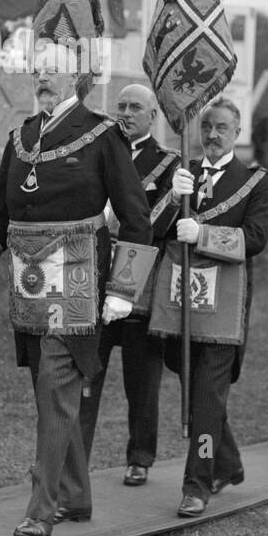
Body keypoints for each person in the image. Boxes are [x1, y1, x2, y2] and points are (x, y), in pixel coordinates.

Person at [0, 40, 152, 536]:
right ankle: (77, 497)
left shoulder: (102, 133)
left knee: (57, 392)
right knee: (48, 395)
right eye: (37, 70)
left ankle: (40, 511)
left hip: (79, 280)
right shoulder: (20, 137)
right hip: (26, 284)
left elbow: (136, 216)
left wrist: (123, 289)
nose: (41, 77)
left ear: (76, 79)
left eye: (52, 71)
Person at [155, 97, 268, 518]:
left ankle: (196, 485)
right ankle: (229, 464)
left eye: (222, 127)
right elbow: (151, 227)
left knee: (205, 397)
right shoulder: (182, 171)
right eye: (206, 127)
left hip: (224, 302)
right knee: (194, 386)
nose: (212, 135)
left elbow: (257, 237)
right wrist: (172, 199)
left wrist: (202, 234)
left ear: (237, 133)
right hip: (181, 299)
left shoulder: (255, 181)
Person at [78, 84, 178, 489]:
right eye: (120, 106)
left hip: (142, 279)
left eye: (136, 107)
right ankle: (74, 459)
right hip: (95, 277)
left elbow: (160, 226)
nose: (126, 112)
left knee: (141, 378)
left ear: (153, 115)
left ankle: (140, 457)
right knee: (86, 373)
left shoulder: (170, 164)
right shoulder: (99, 149)